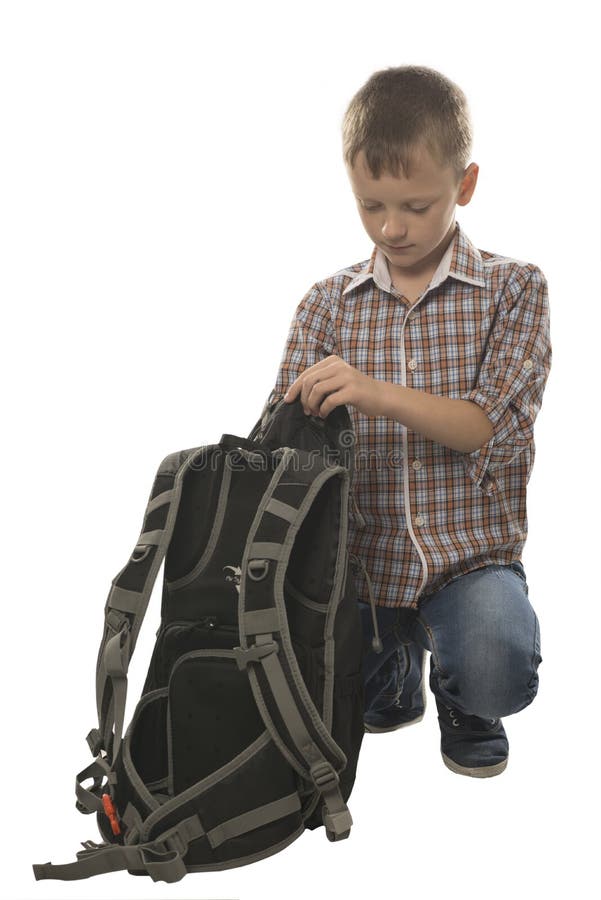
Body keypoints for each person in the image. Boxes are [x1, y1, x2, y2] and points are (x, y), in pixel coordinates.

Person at [263, 65, 552, 778]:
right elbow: (282, 441)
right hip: (358, 566)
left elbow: (483, 426)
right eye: (370, 206)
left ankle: (462, 695)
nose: (390, 228)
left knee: (497, 666)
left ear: (465, 184)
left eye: (415, 207)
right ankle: (391, 672)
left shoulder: (514, 289)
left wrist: (370, 391)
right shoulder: (327, 304)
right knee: (307, 685)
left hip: (468, 560)